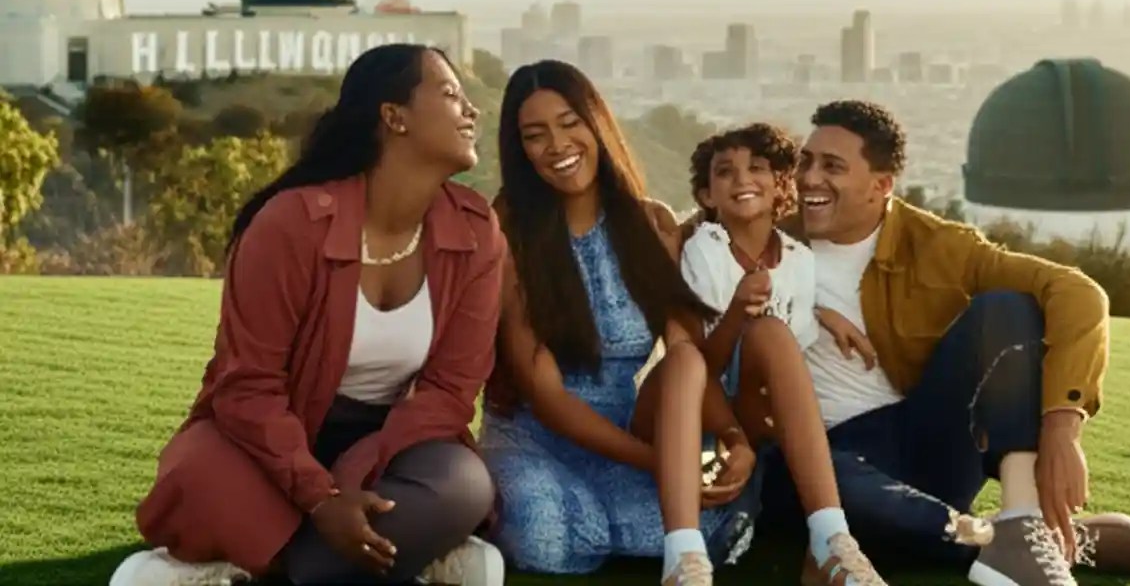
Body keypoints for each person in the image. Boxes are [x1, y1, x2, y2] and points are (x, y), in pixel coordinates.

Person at [109, 44, 507, 586]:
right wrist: (320, 499)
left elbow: (450, 393)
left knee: (463, 484)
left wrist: (347, 478)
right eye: (450, 94)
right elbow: (247, 387)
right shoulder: (291, 224)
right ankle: (406, 564)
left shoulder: (476, 232)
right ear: (394, 117)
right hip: (265, 437)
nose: (472, 111)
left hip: (391, 443)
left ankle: (253, 570)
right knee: (201, 481)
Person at [760, 100, 1130, 586]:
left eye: (832, 166)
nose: (809, 179)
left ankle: (1018, 516)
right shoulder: (761, 235)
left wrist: (1062, 429)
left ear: (881, 185)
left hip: (918, 438)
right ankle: (1011, 541)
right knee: (812, 481)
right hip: (815, 457)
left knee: (1008, 307)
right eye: (806, 161)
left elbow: (1078, 292)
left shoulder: (939, 245)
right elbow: (684, 256)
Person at [478, 60, 761, 586]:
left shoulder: (652, 223)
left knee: (697, 513)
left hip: (636, 424)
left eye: (570, 123)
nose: (558, 145)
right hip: (538, 435)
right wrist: (663, 464)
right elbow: (546, 395)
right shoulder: (508, 230)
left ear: (596, 123)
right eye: (535, 136)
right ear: (520, 150)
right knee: (547, 532)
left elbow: (686, 356)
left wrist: (730, 435)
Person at [681, 123, 998, 585]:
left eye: (758, 169)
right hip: (733, 418)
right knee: (770, 341)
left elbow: (794, 334)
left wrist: (821, 311)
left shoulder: (797, 259)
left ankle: (991, 534)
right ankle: (992, 539)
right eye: (725, 173)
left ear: (780, 187)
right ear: (707, 194)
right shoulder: (703, 250)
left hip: (790, 429)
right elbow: (702, 359)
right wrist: (739, 314)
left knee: (840, 471)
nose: (743, 180)